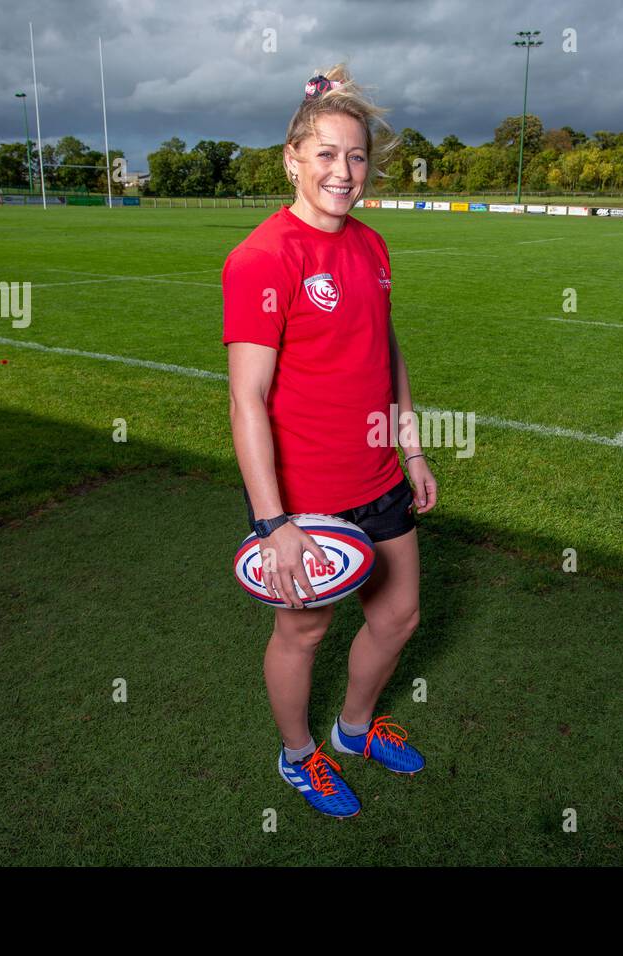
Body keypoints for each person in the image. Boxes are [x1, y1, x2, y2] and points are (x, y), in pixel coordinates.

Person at [222, 64, 438, 819]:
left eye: (355, 157)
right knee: (303, 631)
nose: (343, 172)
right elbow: (246, 400)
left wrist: (410, 448)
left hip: (379, 477)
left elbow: (387, 352)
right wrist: (272, 523)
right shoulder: (262, 258)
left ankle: (351, 730)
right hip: (307, 501)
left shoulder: (372, 247)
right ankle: (297, 755)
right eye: (325, 155)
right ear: (291, 158)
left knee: (399, 616)